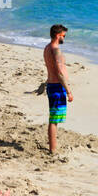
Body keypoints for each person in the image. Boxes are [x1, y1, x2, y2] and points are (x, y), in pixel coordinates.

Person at [42, 24, 72, 154]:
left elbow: (51, 69)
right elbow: (59, 72)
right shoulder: (56, 50)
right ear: (58, 35)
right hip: (57, 87)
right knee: (54, 119)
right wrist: (69, 91)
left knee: (54, 118)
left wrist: (44, 84)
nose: (64, 38)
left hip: (51, 84)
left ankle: (53, 147)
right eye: (63, 36)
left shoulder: (47, 48)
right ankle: (53, 149)